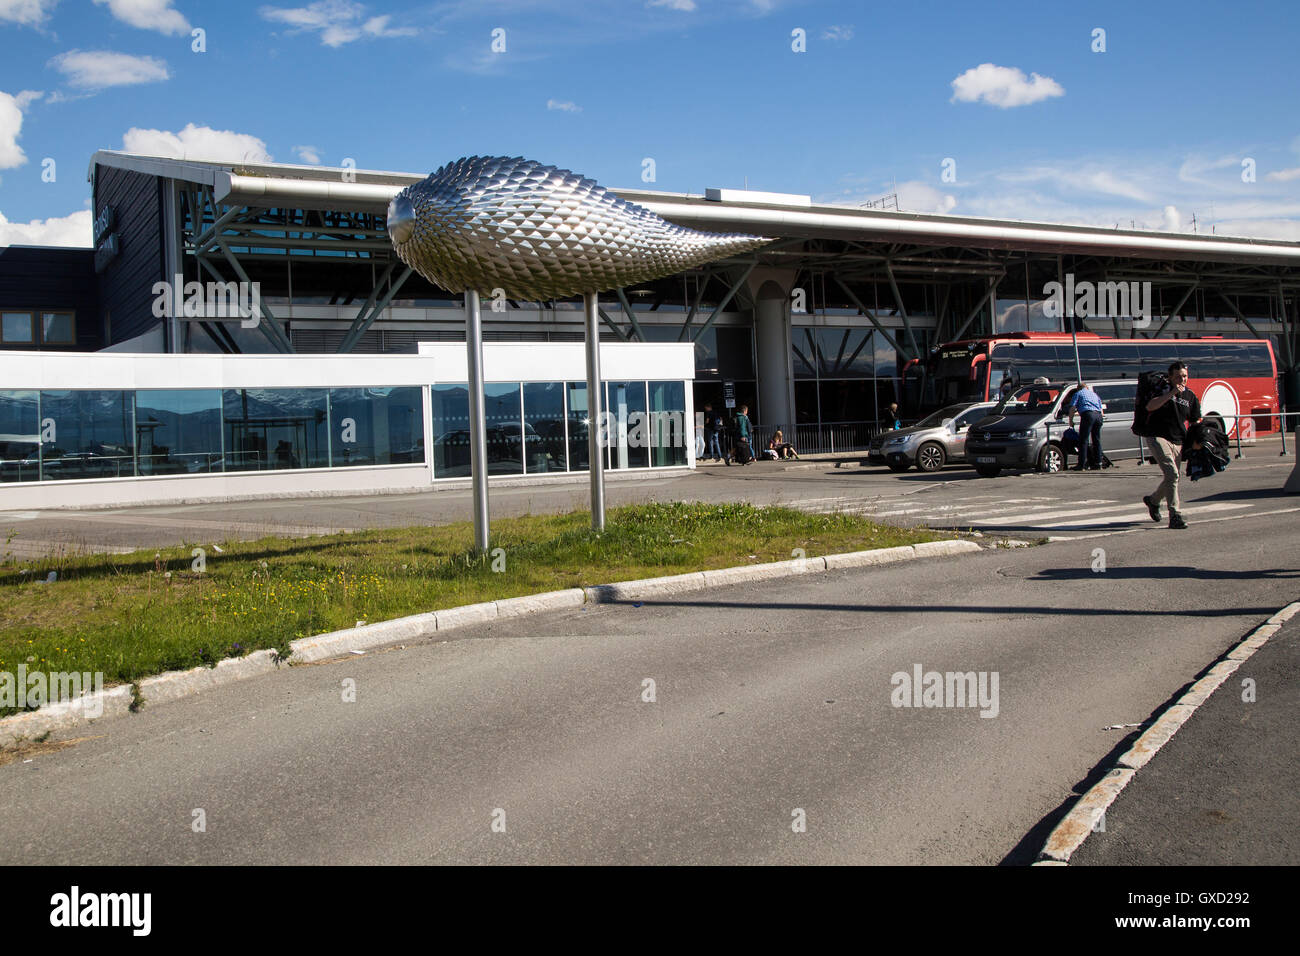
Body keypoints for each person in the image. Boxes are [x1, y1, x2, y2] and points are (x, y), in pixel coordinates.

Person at [1142, 361, 1201, 530]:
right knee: (1172, 474)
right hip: (1158, 437)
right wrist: (1172, 392)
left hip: (1178, 441)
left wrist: (1199, 439)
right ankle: (1175, 515)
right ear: (1170, 377)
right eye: (1178, 377)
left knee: (1173, 477)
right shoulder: (1162, 390)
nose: (1182, 380)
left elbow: (1195, 419)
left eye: (1184, 376)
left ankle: (1153, 501)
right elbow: (1150, 406)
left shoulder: (1190, 396)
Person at [1067, 382, 1104, 470]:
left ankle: (1081, 465)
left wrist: (1070, 421)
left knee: (1083, 440)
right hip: (1098, 416)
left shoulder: (1078, 393)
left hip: (1088, 415)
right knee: (1096, 440)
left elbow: (1072, 408)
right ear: (1086, 387)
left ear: (1078, 388)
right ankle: (1098, 463)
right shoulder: (1094, 394)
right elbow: (1101, 410)